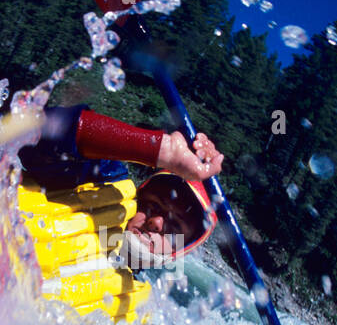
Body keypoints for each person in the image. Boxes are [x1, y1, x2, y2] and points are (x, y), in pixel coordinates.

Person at [14, 105, 224, 266]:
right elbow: (44, 128)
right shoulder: (104, 183)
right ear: (137, 197)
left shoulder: (148, 315)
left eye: (175, 227)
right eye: (153, 205)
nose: (157, 223)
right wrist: (160, 149)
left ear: (180, 250)